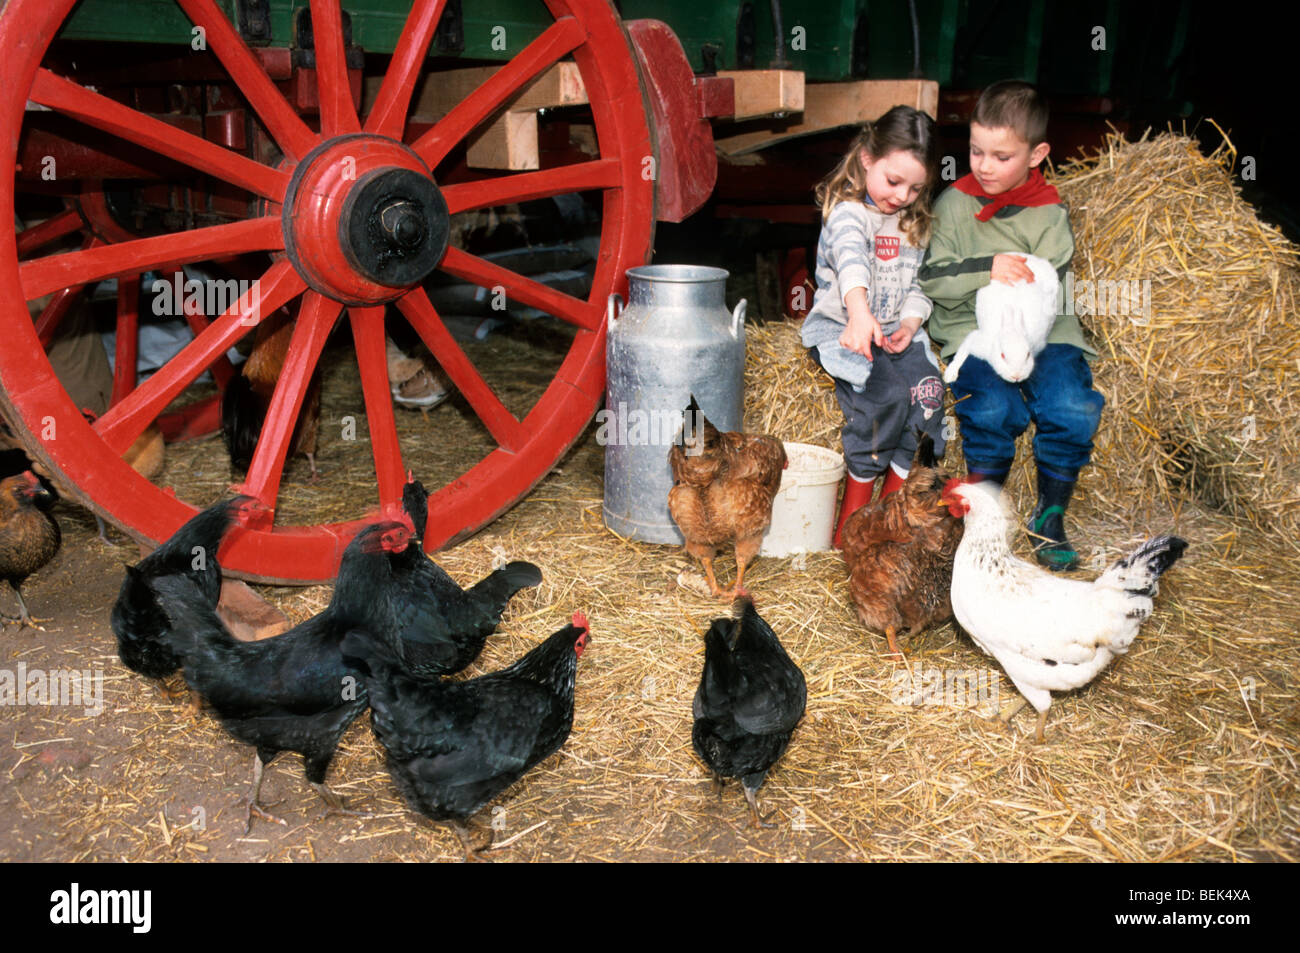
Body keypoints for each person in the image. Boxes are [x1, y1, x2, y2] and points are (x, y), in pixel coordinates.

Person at [919, 80, 1103, 570]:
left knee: (1071, 404)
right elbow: (932, 278)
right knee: (993, 408)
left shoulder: (1048, 211)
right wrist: (987, 268)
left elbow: (1051, 285)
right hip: (975, 334)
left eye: (1001, 156)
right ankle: (987, 517)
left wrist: (1026, 315)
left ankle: (1051, 514)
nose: (983, 165)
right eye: (976, 150)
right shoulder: (954, 205)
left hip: (1046, 332)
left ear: (1037, 153)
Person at [801, 105, 946, 548]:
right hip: (845, 327)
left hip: (894, 333)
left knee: (928, 399)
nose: (902, 196)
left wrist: (909, 321)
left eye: (916, 187)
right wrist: (860, 313)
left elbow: (922, 284)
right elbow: (851, 263)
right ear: (867, 159)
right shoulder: (848, 214)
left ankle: (890, 517)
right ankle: (853, 523)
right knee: (882, 398)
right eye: (893, 181)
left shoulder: (913, 222)